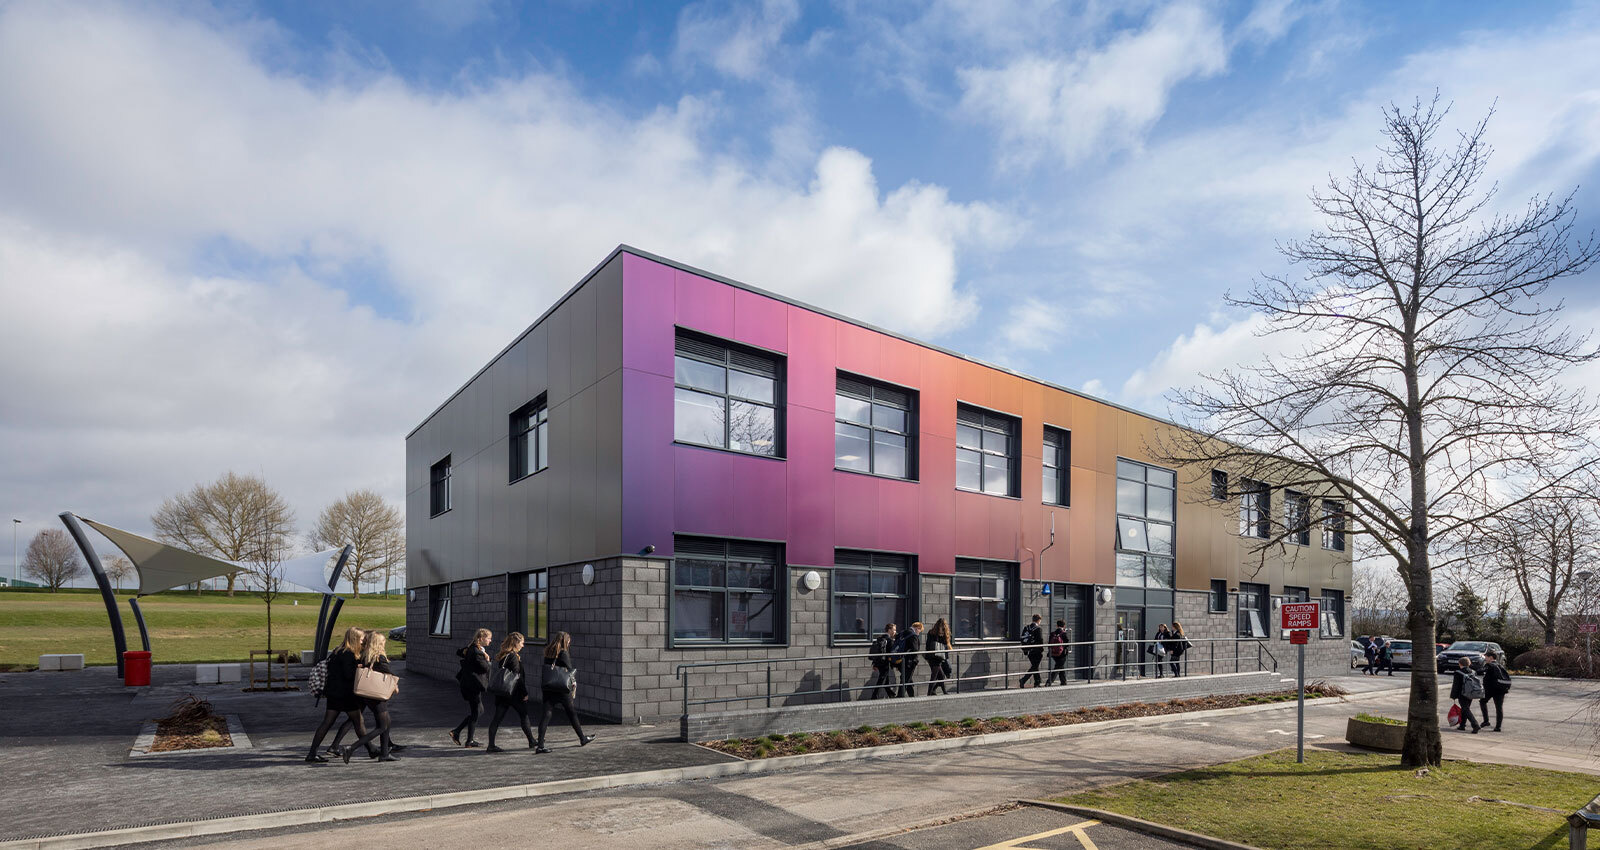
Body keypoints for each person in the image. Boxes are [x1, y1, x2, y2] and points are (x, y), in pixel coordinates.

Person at [305, 627, 369, 763]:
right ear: (355, 639)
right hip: (345, 695)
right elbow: (348, 675)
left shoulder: (337, 652)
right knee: (358, 722)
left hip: (334, 694)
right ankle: (372, 750)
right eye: (362, 638)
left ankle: (312, 753)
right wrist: (359, 667)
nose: (363, 641)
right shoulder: (349, 654)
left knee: (327, 723)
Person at [344, 631, 400, 762]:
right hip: (377, 696)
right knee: (382, 726)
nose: (385, 643)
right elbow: (389, 673)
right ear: (378, 644)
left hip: (368, 695)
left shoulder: (365, 656)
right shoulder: (379, 658)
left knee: (387, 722)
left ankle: (385, 753)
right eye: (382, 642)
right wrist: (395, 685)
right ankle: (351, 748)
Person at [535, 631, 594, 752]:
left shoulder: (548, 651)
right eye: (569, 640)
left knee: (546, 714)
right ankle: (582, 738)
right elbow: (570, 670)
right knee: (572, 713)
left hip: (549, 688)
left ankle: (540, 745)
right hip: (561, 688)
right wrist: (574, 685)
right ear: (565, 641)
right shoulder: (563, 653)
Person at [486, 632, 536, 753]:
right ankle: (531, 741)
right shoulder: (513, 656)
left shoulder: (503, 656)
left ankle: (491, 745)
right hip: (514, 694)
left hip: (503, 693)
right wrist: (524, 693)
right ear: (516, 643)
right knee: (524, 716)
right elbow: (517, 677)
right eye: (522, 643)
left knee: (497, 718)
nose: (523, 646)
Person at [450, 628, 493, 747]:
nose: (490, 640)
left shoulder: (473, 648)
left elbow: (459, 652)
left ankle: (464, 736)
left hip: (469, 684)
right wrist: (488, 660)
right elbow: (485, 668)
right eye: (489, 638)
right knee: (478, 711)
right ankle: (462, 735)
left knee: (478, 711)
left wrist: (466, 651)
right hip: (472, 685)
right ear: (481, 638)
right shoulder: (477, 651)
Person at [1479, 650, 1512, 732]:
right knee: (1499, 707)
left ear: (1490, 658)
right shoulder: (1500, 665)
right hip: (1501, 689)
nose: (1485, 658)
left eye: (1486, 657)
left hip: (1491, 689)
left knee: (1482, 702)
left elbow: (1480, 671)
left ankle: (1486, 721)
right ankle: (1498, 727)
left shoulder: (1489, 665)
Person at [1448, 656, 1482, 733]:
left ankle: (1475, 724)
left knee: (1465, 709)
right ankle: (1462, 725)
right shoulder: (1473, 672)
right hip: (1471, 693)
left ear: (1460, 664)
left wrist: (1453, 695)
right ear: (1469, 663)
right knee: (1465, 709)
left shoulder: (1458, 672)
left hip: (1462, 694)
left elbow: (1456, 685)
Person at [867, 623, 898, 699]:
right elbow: (891, 653)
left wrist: (875, 664)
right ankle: (874, 696)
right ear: (889, 630)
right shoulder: (890, 640)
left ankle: (891, 695)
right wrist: (895, 664)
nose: (895, 632)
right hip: (885, 663)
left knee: (885, 680)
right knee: (882, 680)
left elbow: (877, 652)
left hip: (879, 662)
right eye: (894, 630)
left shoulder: (880, 638)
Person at [925, 619, 952, 696]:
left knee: (941, 676)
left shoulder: (945, 634)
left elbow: (946, 646)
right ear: (938, 626)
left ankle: (933, 691)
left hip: (940, 658)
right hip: (933, 657)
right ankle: (930, 693)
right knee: (934, 676)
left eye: (943, 626)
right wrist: (928, 657)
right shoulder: (932, 633)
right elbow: (928, 645)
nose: (942, 628)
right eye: (941, 626)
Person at [897, 621, 924, 697]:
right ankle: (900, 696)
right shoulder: (913, 635)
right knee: (906, 678)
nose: (919, 633)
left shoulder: (902, 632)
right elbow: (915, 649)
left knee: (907, 678)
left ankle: (911, 695)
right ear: (917, 628)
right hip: (910, 661)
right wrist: (915, 660)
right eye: (920, 630)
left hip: (900, 659)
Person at [1019, 614, 1044, 687]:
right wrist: (1041, 649)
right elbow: (1040, 640)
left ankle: (1037, 682)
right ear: (1039, 620)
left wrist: (1025, 650)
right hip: (1036, 651)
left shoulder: (1026, 628)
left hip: (1028, 651)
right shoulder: (1038, 628)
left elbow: (1023, 638)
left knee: (1035, 666)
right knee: (1034, 667)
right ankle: (1023, 680)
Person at [1044, 619, 1070, 686]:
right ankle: (1049, 682)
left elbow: (1049, 643)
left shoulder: (1052, 633)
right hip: (1062, 654)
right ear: (1064, 626)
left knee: (1060, 666)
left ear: (1057, 625)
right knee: (1058, 667)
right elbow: (1067, 643)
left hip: (1054, 653)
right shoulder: (1064, 633)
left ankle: (1063, 682)